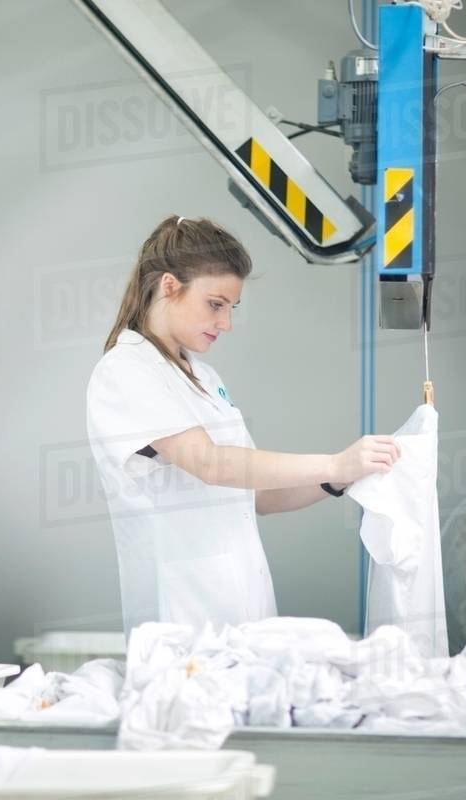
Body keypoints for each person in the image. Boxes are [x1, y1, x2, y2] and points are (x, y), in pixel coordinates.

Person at [86, 214, 402, 637]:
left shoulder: (203, 378)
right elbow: (212, 464)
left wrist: (340, 479)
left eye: (231, 309)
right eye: (215, 304)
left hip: (243, 613)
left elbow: (256, 494)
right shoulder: (126, 369)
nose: (226, 323)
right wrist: (330, 463)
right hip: (182, 621)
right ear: (168, 286)